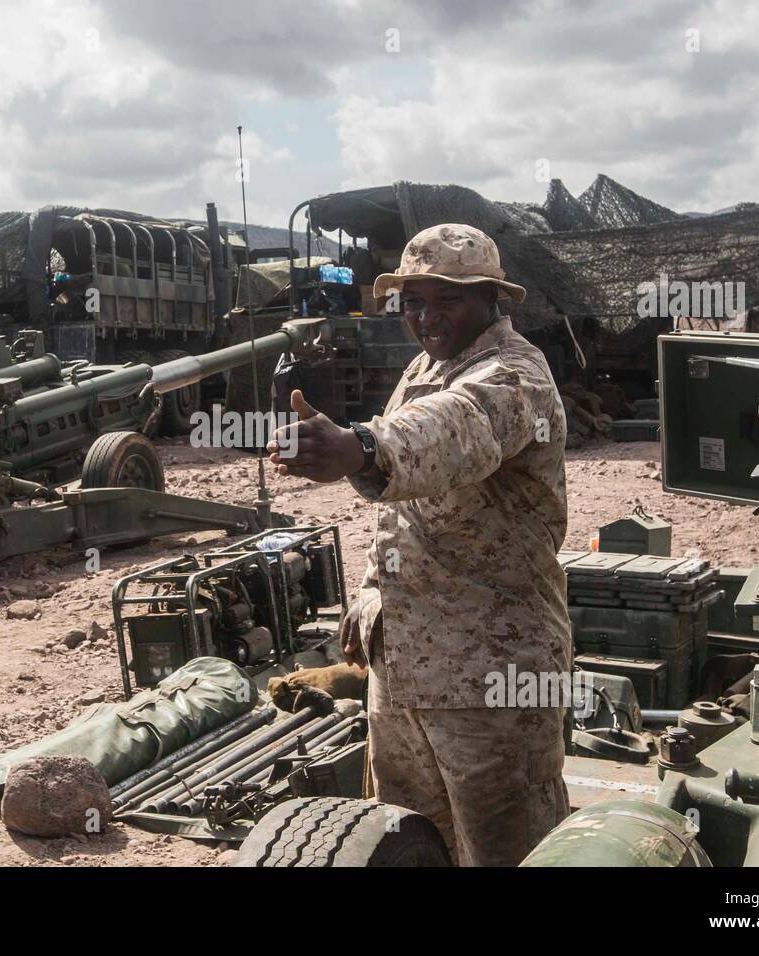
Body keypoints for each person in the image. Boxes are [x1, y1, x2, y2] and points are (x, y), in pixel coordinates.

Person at [267, 223, 572, 865]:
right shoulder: (426, 367)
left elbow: (452, 433)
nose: (426, 316)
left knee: (508, 850)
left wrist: (361, 446)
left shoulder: (516, 375)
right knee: (406, 840)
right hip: (405, 664)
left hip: (491, 674)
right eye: (412, 302)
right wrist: (373, 596)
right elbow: (411, 511)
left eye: (446, 300)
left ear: (493, 300)